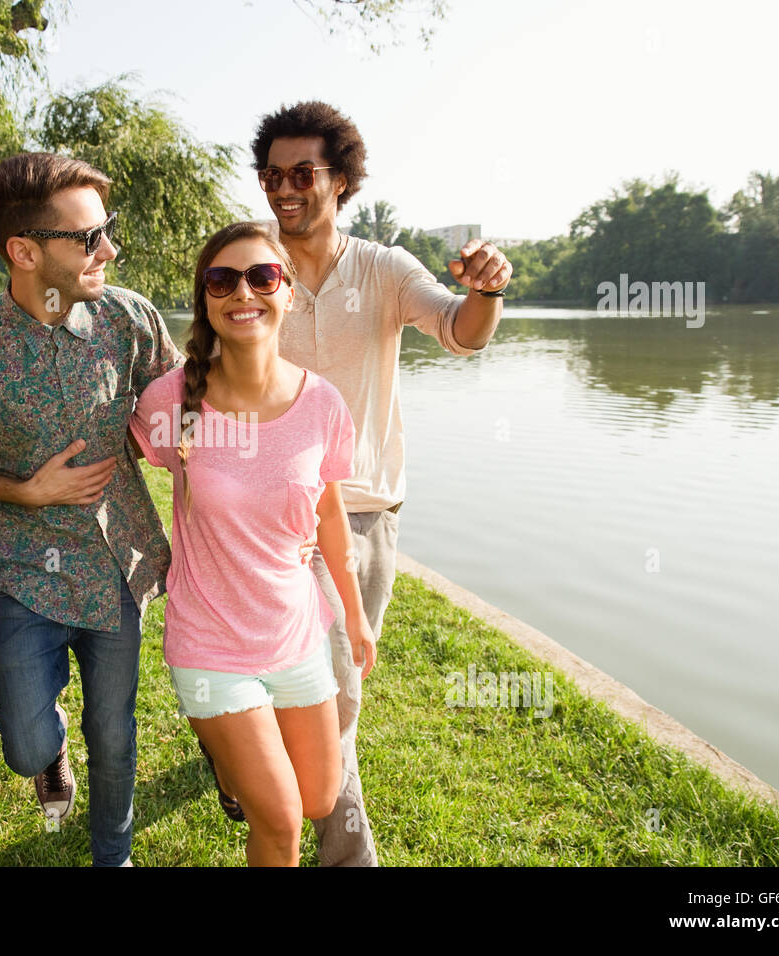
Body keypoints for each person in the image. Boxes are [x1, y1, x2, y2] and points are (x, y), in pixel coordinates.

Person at [251, 101, 512, 866]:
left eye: (304, 174)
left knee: (333, 693)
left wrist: (486, 291)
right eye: (273, 175)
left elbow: (460, 332)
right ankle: (327, 833)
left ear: (343, 181)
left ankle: (287, 790)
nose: (285, 189)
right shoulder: (252, 264)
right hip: (272, 518)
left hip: (364, 514)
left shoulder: (386, 270)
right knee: (316, 691)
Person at [0, 152, 180, 867]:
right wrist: (23, 491)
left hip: (116, 565)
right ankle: (48, 753)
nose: (109, 250)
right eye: (89, 237)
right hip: (23, 570)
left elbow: (181, 419)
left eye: (107, 230)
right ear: (23, 251)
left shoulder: (131, 321)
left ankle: (111, 857)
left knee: (116, 736)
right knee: (23, 742)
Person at [128, 221, 375, 867]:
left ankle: (236, 762)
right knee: (283, 822)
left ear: (287, 292)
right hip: (209, 642)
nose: (244, 292)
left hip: (294, 633)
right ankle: (233, 744)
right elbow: (108, 457)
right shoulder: (170, 400)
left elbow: (328, 515)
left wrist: (352, 613)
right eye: (222, 278)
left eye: (262, 276)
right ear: (206, 297)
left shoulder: (322, 403)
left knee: (319, 797)